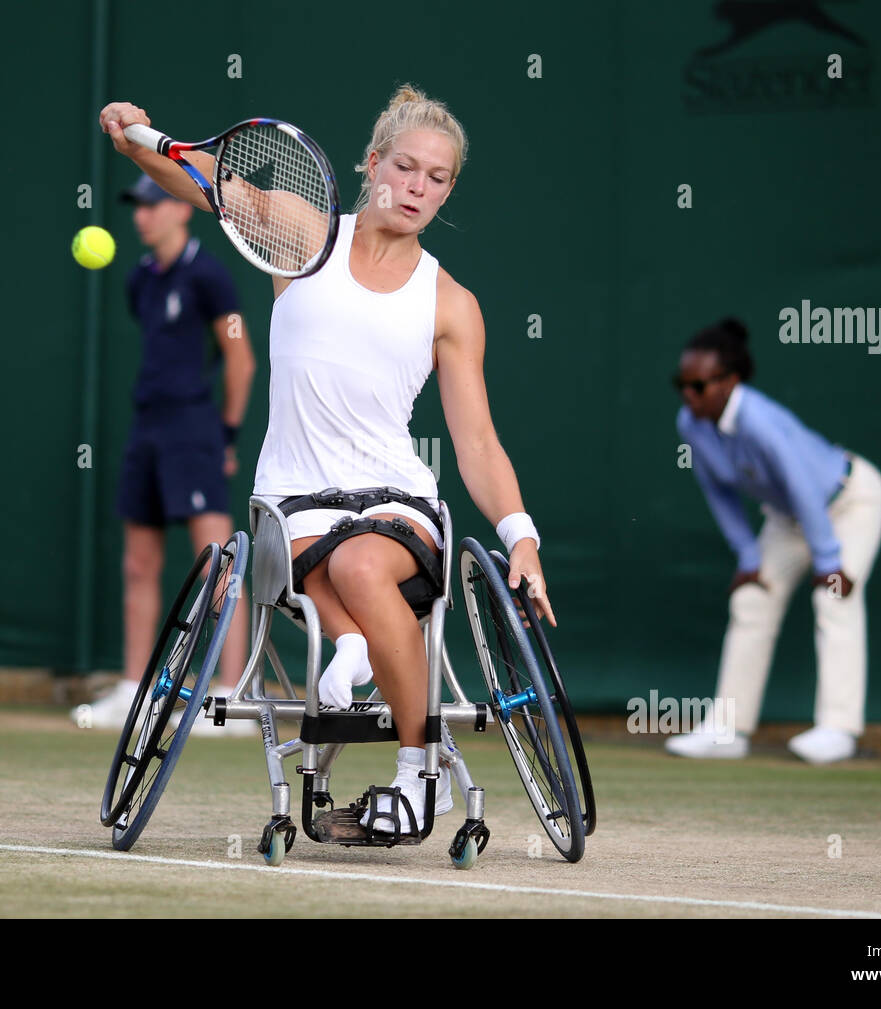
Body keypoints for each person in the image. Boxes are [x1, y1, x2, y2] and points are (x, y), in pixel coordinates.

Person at [98, 85, 556, 833]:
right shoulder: (308, 235)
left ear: (448, 190)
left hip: (394, 501)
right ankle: (350, 643)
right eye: (405, 167)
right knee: (328, 566)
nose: (417, 187)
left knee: (360, 566)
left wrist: (522, 537)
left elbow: (475, 441)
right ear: (372, 163)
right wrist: (142, 138)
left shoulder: (451, 304)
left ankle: (421, 778)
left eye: (437, 178)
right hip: (293, 499)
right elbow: (214, 180)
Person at [72, 173, 257, 734]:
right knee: (139, 563)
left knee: (218, 565)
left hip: (194, 430)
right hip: (146, 429)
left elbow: (240, 358)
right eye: (137, 206)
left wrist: (224, 436)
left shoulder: (211, 278)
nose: (140, 215)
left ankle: (233, 697)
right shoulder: (139, 281)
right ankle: (136, 690)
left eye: (152, 204)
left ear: (182, 211)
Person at [666, 317, 881, 763]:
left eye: (699, 385)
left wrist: (829, 560)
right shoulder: (691, 424)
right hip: (789, 519)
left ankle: (838, 729)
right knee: (751, 599)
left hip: (851, 502)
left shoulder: (760, 421)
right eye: (682, 385)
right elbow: (719, 492)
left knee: (834, 597)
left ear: (730, 381)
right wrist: (748, 554)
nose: (689, 395)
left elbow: (804, 485)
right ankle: (728, 730)